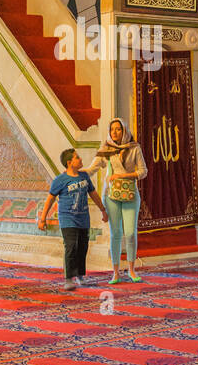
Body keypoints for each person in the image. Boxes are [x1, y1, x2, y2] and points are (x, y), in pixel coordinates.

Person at [37, 147, 108, 291]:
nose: (80, 159)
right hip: (67, 219)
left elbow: (93, 194)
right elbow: (50, 199)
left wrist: (103, 210)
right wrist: (42, 218)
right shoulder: (60, 180)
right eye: (77, 157)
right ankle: (68, 278)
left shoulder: (84, 176)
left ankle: (80, 275)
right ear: (69, 162)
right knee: (71, 247)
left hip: (83, 219)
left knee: (82, 247)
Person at [88, 118, 148, 284]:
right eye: (112, 129)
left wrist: (124, 176)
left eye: (118, 129)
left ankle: (132, 270)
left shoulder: (134, 148)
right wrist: (74, 172)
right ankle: (115, 272)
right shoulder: (106, 149)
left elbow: (143, 171)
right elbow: (92, 169)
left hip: (130, 194)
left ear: (124, 131)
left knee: (130, 233)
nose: (114, 132)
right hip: (111, 195)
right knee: (115, 234)